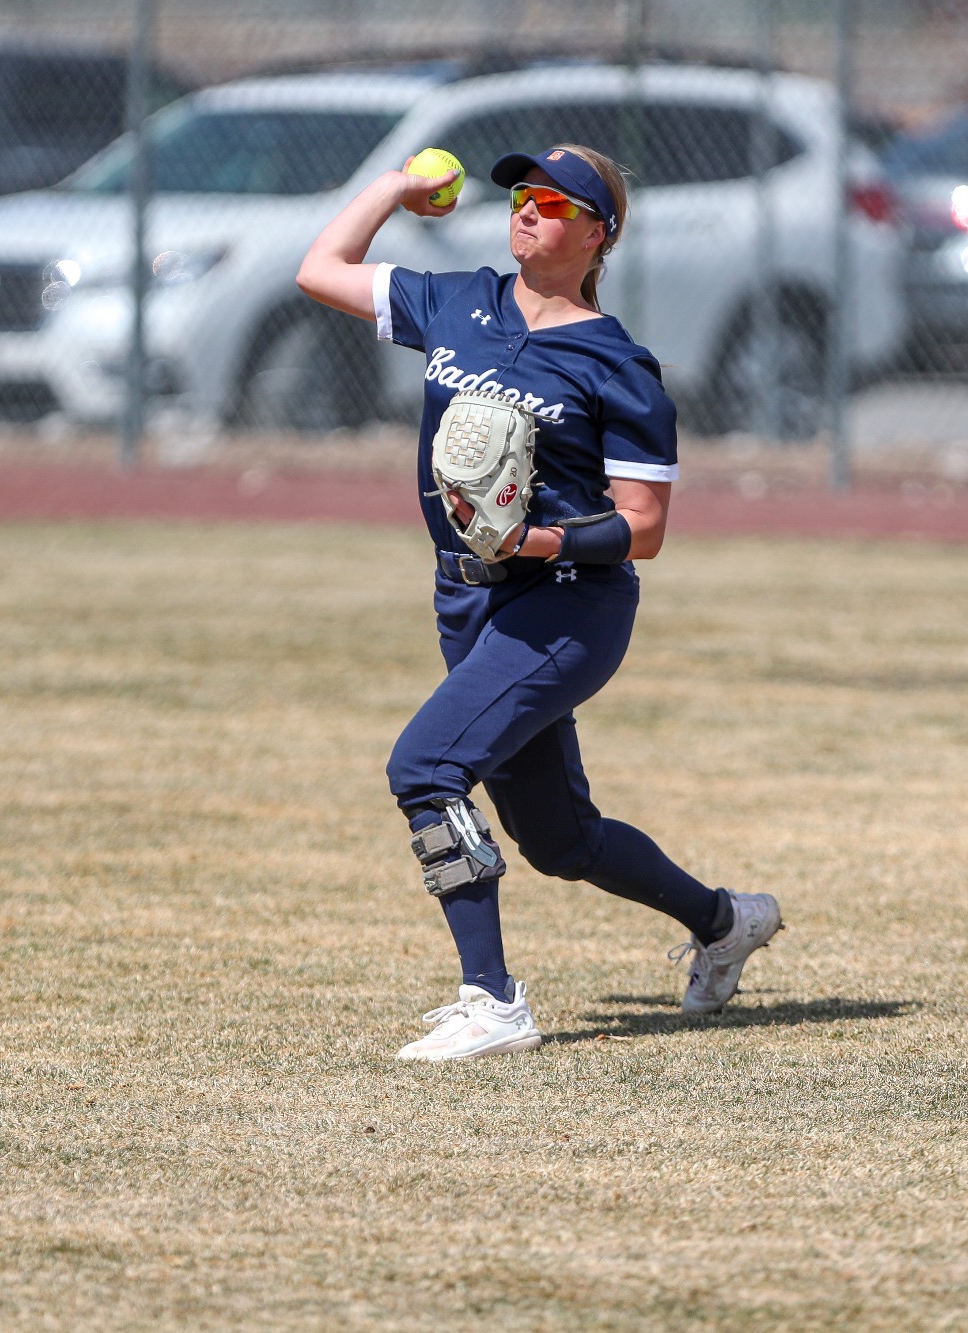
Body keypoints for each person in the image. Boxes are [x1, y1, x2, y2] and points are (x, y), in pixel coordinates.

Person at [296, 143, 782, 1062]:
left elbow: (644, 526)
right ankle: (724, 921)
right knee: (560, 839)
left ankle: (492, 1001)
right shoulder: (457, 302)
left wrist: (538, 540)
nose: (527, 210)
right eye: (522, 194)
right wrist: (396, 190)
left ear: (598, 234)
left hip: (568, 606)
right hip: (468, 602)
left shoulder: (618, 366)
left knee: (425, 767)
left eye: (555, 203)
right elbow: (321, 270)